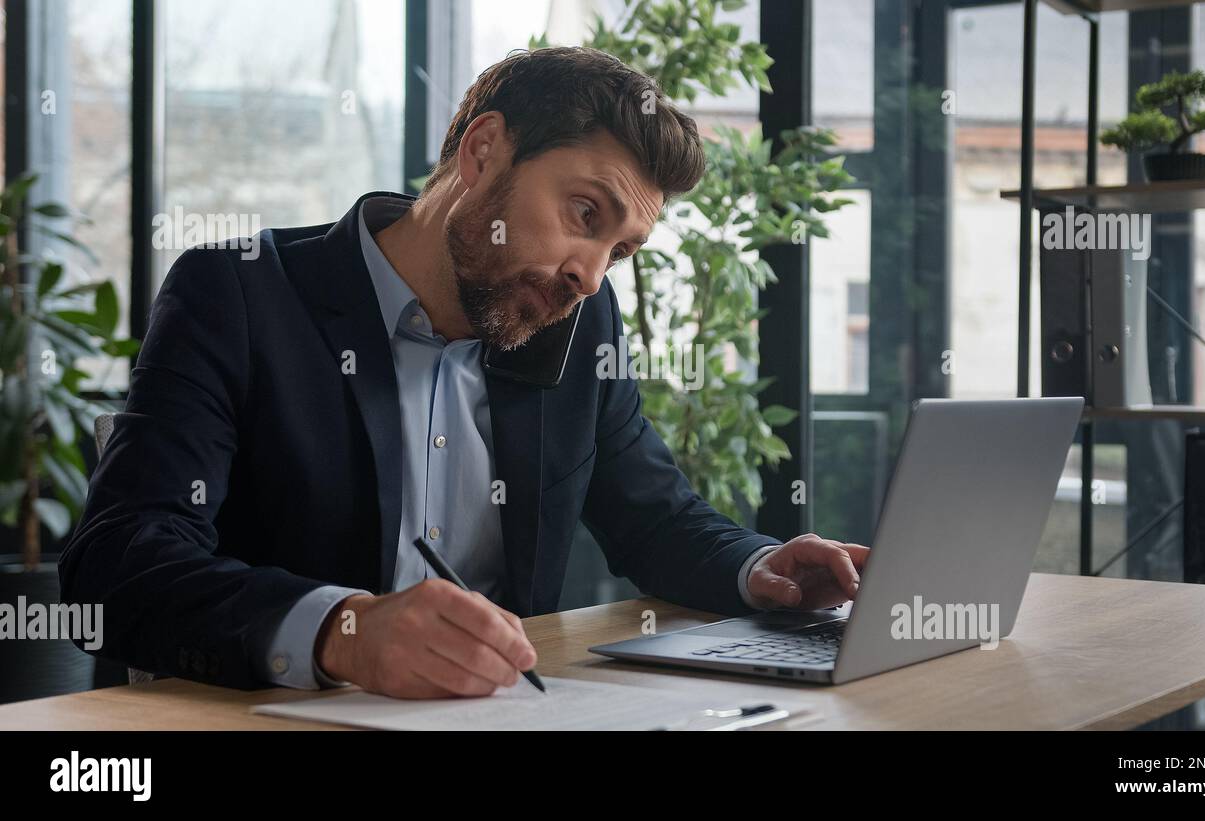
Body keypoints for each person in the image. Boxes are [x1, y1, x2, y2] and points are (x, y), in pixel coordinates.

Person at [60, 46, 867, 698]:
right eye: (585, 215)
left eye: (619, 251)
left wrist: (761, 566)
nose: (590, 273)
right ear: (483, 152)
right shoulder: (237, 293)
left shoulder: (581, 326)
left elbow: (654, 517)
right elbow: (118, 560)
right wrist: (343, 630)